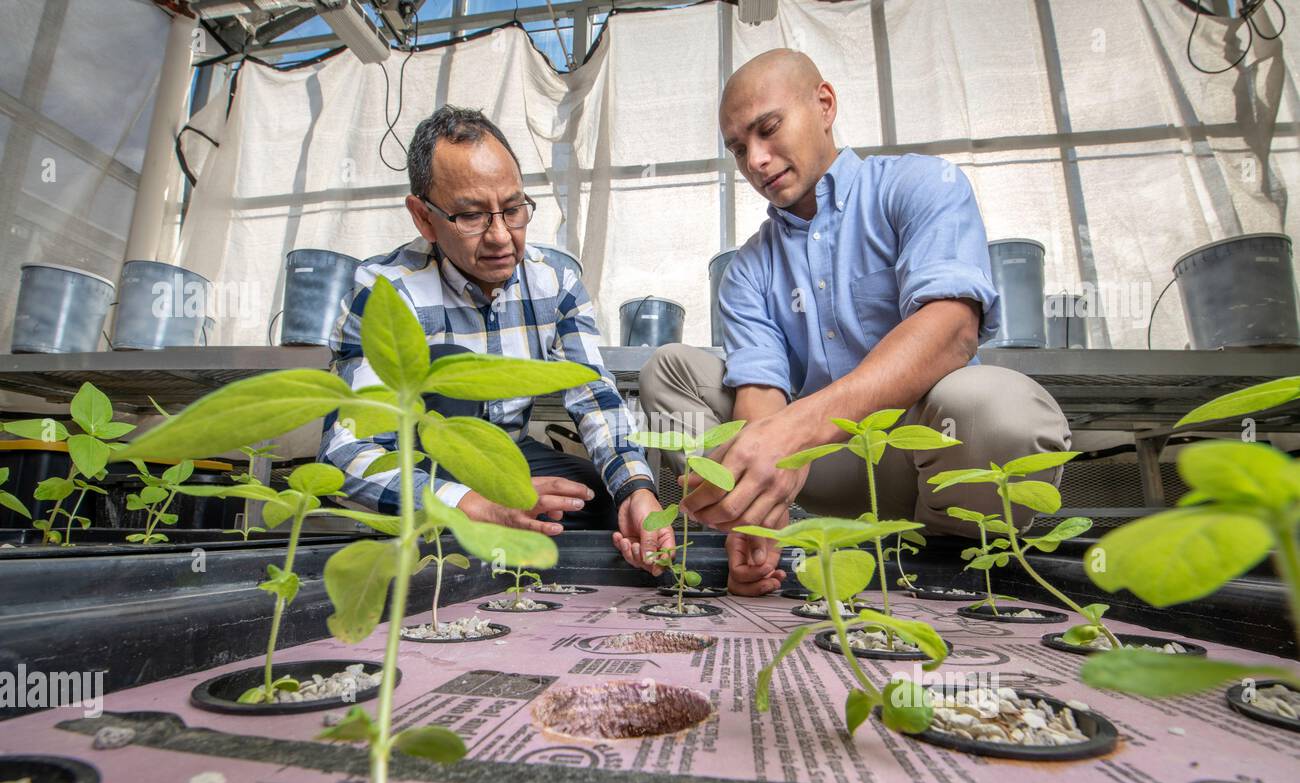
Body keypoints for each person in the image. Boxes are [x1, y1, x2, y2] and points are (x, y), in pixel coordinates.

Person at [638, 50, 1071, 596]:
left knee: (998, 408)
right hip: (824, 470)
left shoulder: (918, 185)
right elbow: (761, 395)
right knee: (669, 369)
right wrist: (755, 508)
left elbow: (952, 329)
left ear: (824, 104)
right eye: (738, 148)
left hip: (931, 451)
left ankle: (942, 569)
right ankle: (773, 539)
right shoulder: (748, 268)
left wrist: (797, 428)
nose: (756, 160)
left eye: (768, 129)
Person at [319, 105, 670, 574]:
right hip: (425, 459)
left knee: (605, 506)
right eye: (471, 216)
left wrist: (636, 489)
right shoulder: (387, 292)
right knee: (446, 365)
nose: (502, 236)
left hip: (507, 455)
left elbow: (596, 397)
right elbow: (347, 451)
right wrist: (469, 503)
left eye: (513, 209)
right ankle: (446, 555)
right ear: (423, 219)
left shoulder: (556, 280)